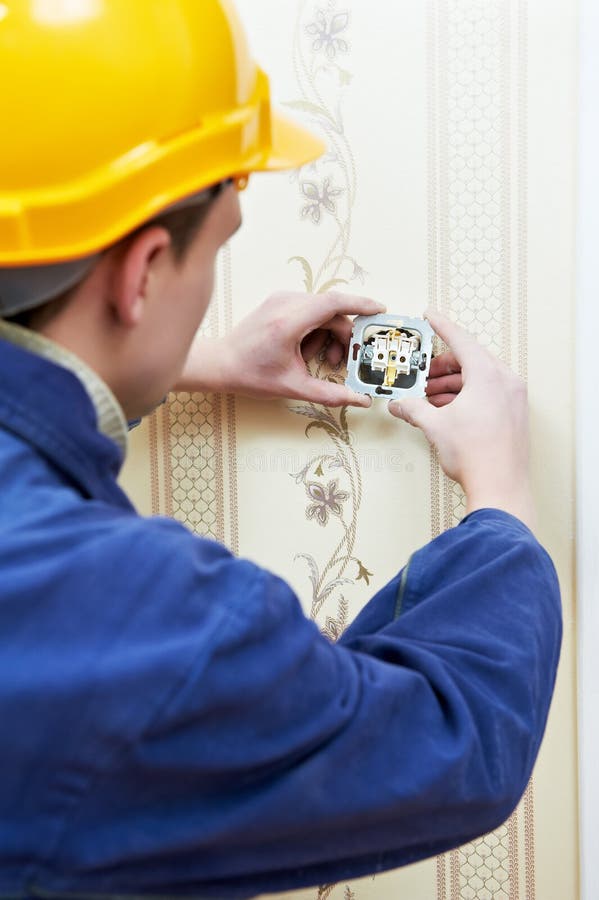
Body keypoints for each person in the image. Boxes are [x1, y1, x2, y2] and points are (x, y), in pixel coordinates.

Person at [0, 2, 561, 897]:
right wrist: (500, 496)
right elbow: (445, 743)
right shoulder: (131, 609)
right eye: (220, 246)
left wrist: (191, 361)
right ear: (144, 272)